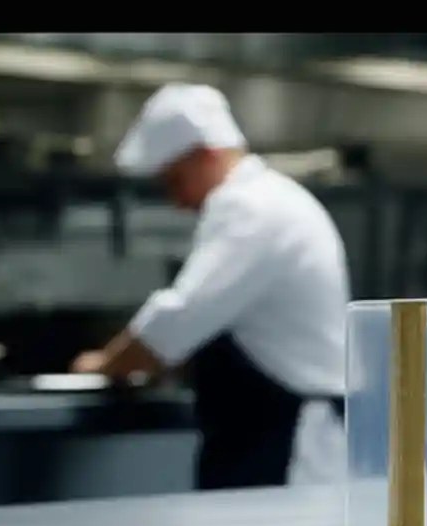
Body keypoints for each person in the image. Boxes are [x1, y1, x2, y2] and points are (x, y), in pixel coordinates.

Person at [70, 83, 350, 491]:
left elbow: (178, 318)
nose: (177, 201)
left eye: (175, 181)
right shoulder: (271, 199)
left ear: (206, 155)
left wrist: (104, 365)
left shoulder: (251, 208)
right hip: (271, 435)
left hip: (289, 447)